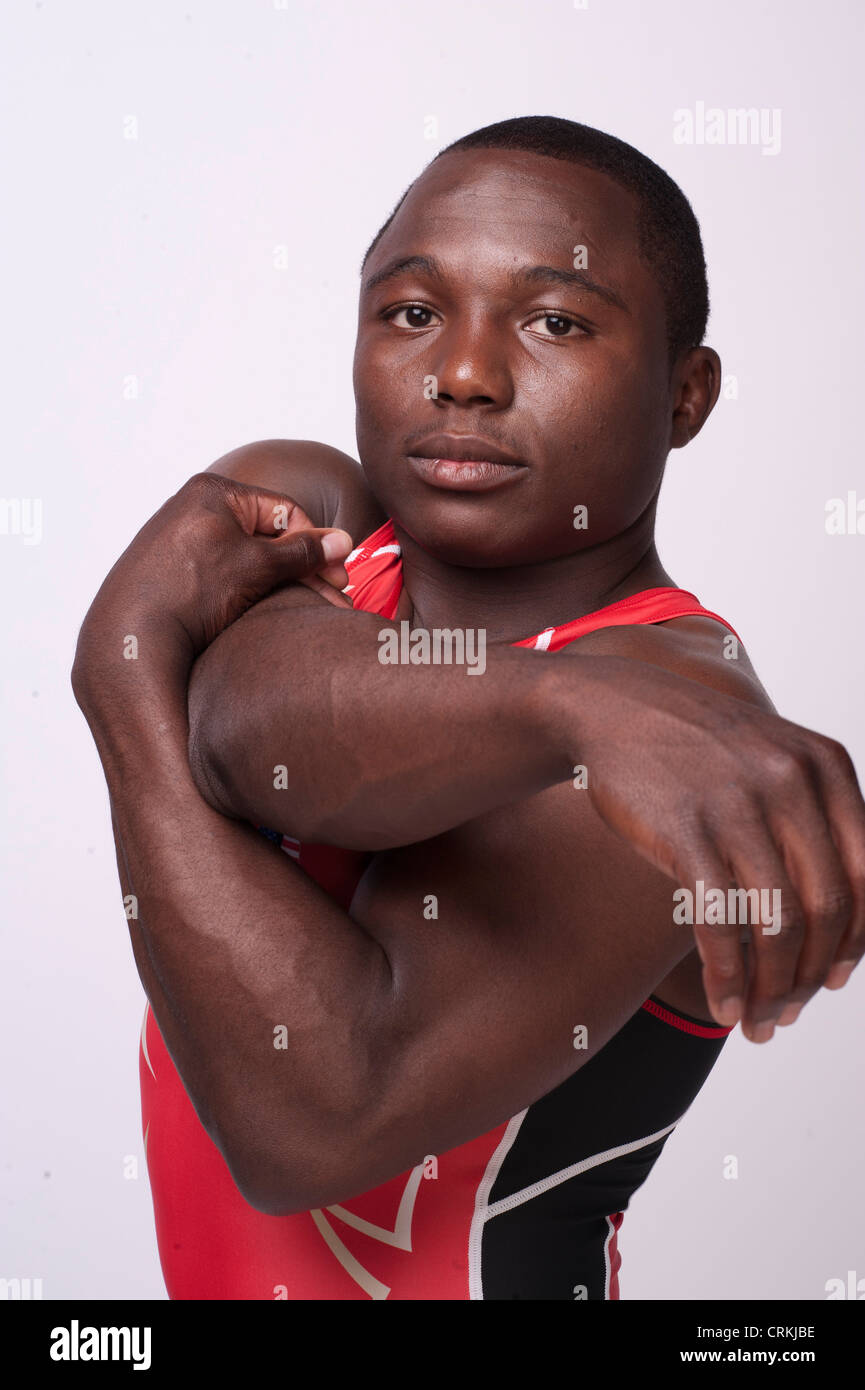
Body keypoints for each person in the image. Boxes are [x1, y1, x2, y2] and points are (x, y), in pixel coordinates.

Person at [72, 117, 865, 1300]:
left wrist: (120, 676)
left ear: (686, 393)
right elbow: (245, 738)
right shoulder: (318, 503)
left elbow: (314, 1120)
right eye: (410, 312)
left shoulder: (692, 730)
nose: (463, 374)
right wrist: (569, 705)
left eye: (554, 321)